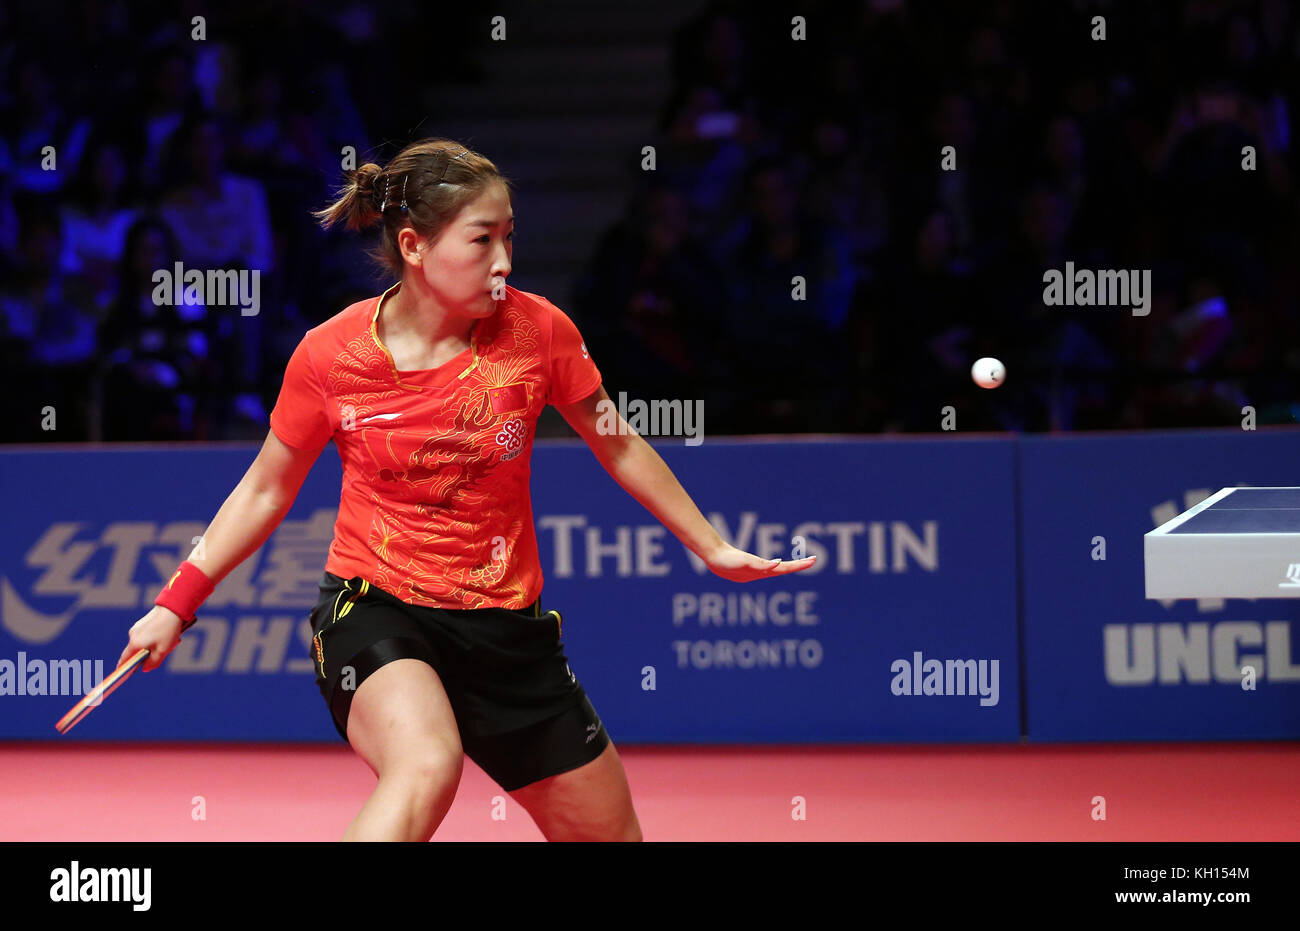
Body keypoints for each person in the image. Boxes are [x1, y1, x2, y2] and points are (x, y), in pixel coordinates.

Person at [118, 138, 816, 842]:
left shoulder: (541, 332)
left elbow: (618, 441)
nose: (505, 261)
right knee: (426, 765)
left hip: (508, 632)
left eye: (509, 237)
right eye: (482, 240)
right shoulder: (331, 356)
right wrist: (176, 603)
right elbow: (266, 489)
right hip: (375, 608)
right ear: (416, 246)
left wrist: (713, 547)